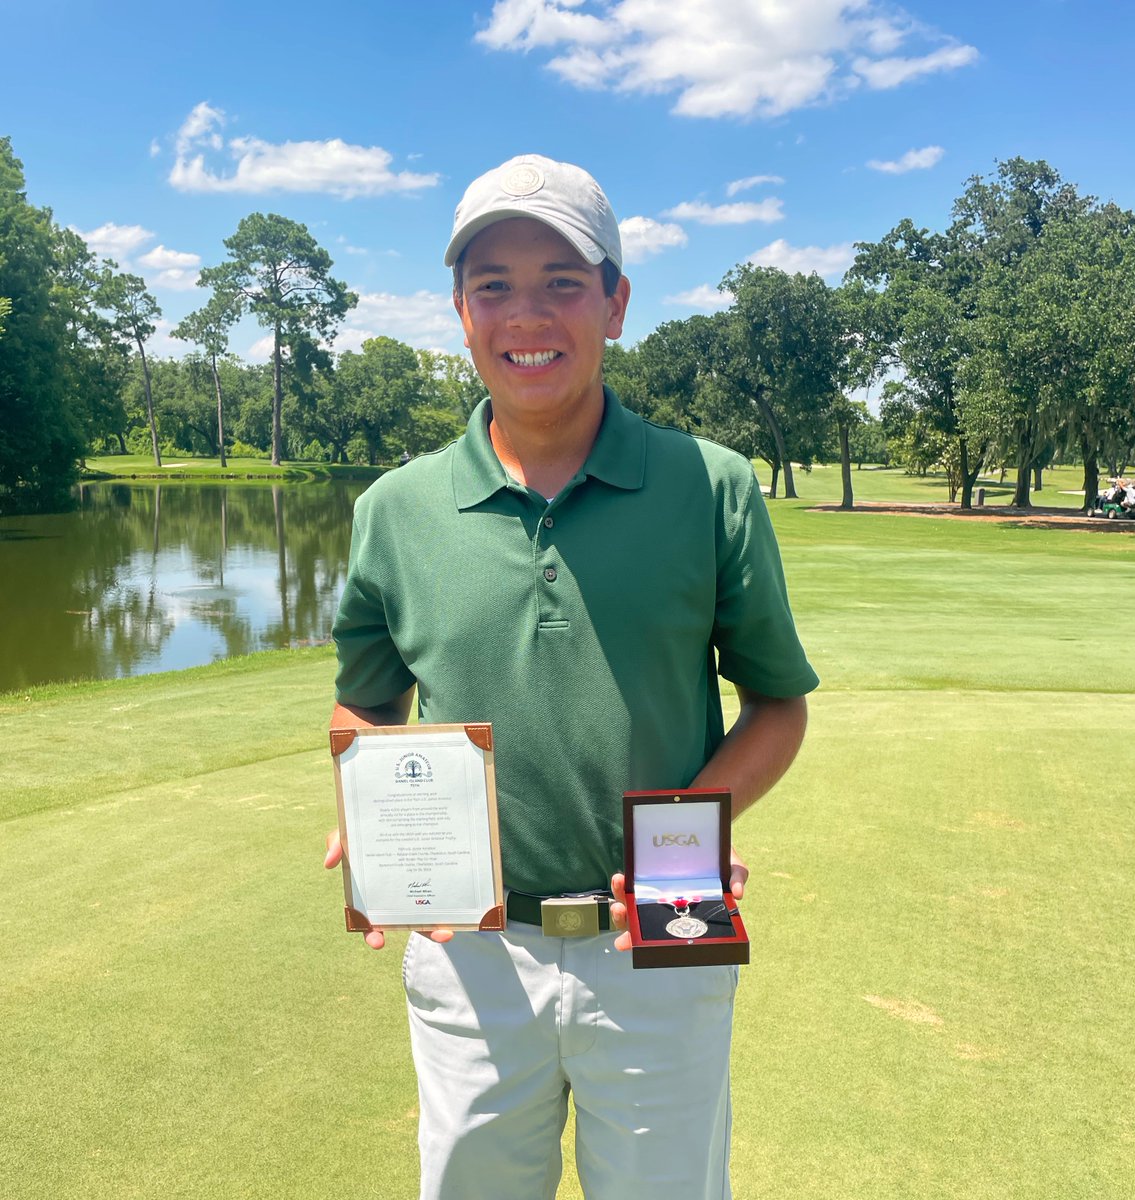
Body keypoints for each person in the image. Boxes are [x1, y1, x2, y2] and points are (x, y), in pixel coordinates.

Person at [324, 153, 818, 1200]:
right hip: (470, 950)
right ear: (461, 312)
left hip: (661, 933)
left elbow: (777, 703)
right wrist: (368, 804)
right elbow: (367, 699)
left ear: (615, 304)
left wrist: (690, 831)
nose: (525, 314)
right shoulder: (394, 510)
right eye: (492, 284)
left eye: (560, 280)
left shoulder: (710, 484)